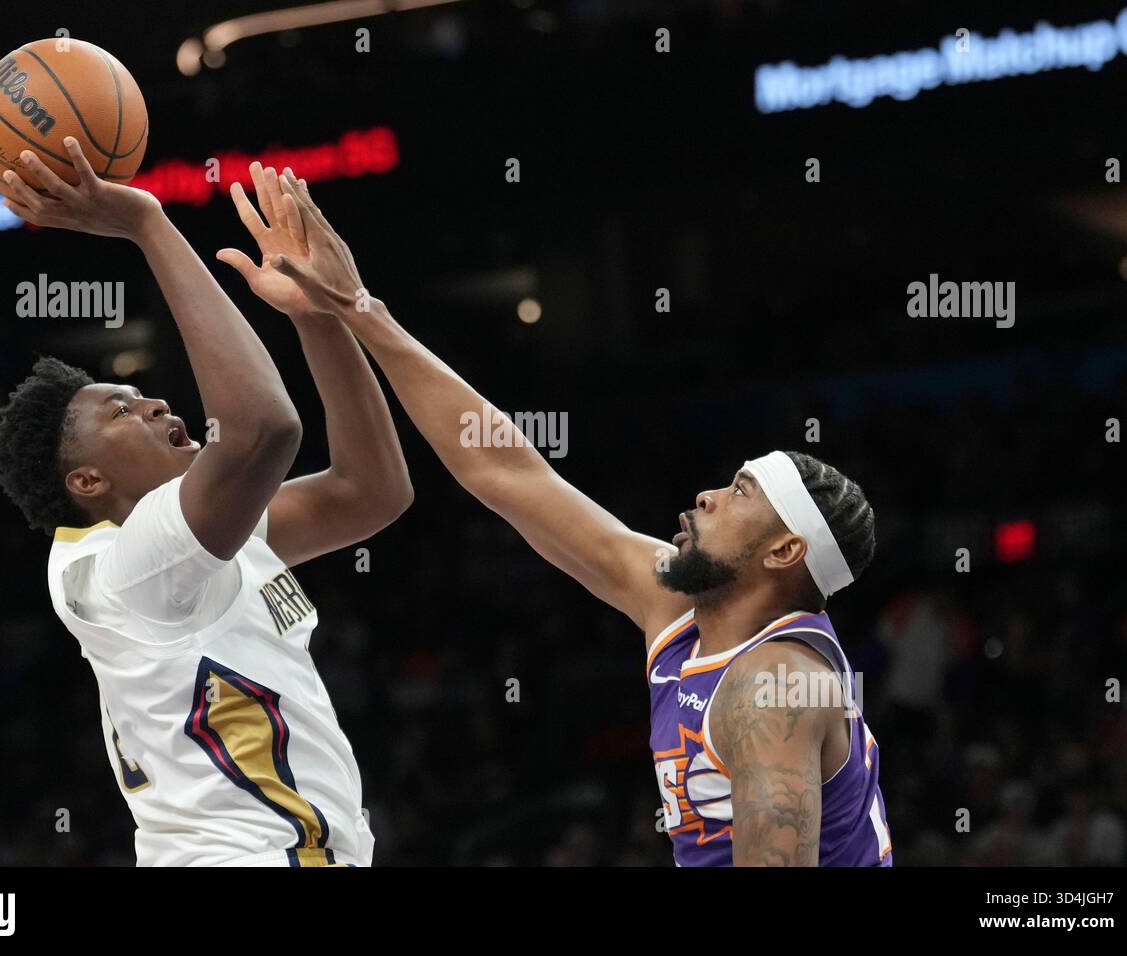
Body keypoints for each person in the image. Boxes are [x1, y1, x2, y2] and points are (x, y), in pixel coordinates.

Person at [266, 174, 892, 866]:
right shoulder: (675, 605)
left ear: (783, 552)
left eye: (741, 492)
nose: (709, 495)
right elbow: (506, 471)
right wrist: (358, 308)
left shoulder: (772, 688)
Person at [0, 140, 411, 866]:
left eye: (140, 394)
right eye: (120, 411)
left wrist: (317, 314)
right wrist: (149, 223)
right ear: (86, 482)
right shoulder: (126, 563)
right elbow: (262, 428)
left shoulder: (201, 538)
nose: (153, 402)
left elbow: (369, 492)